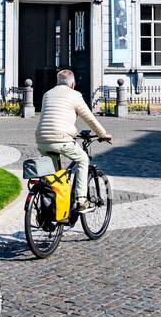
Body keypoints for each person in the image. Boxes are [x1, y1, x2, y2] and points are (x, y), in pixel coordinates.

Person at [35, 69, 111, 213]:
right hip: (61, 138)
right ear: (73, 84)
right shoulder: (75, 95)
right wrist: (102, 134)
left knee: (55, 178)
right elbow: (89, 117)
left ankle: (54, 211)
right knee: (82, 160)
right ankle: (81, 200)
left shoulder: (47, 94)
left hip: (42, 139)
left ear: (57, 83)